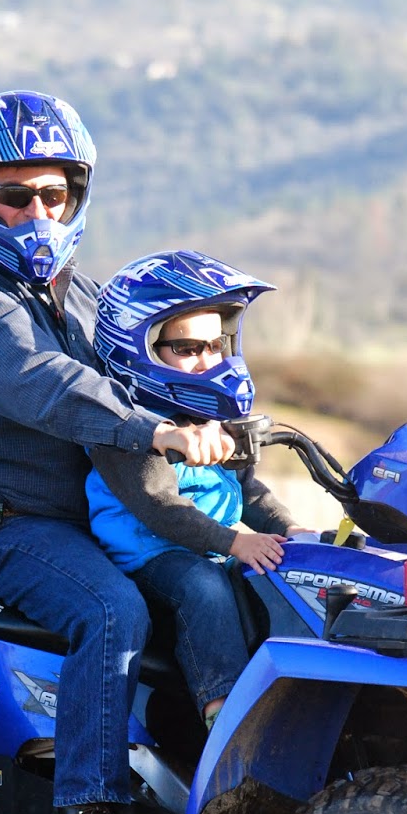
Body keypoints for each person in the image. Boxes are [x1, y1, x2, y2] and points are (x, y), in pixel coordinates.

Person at [0, 92, 236, 814]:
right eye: (14, 196)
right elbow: (43, 386)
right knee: (112, 612)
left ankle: (219, 792)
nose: (35, 214)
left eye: (53, 195)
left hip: (94, 522)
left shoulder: (80, 296)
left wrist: (221, 417)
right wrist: (149, 429)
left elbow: (145, 367)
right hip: (1, 528)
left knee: (218, 584)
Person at [88, 249, 309, 730]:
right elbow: (160, 508)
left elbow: (250, 490)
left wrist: (291, 528)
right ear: (140, 347)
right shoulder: (125, 427)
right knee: (202, 587)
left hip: (213, 545)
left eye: (214, 345)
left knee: (288, 577)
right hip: (150, 553)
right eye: (186, 349)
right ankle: (221, 710)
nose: (206, 358)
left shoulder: (214, 417)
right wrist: (236, 542)